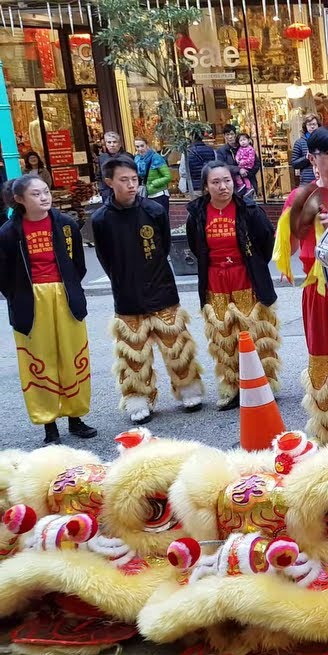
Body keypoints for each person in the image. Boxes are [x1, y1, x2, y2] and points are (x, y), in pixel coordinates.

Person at [92, 158, 205, 423]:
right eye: (124, 180)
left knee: (176, 344)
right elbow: (105, 259)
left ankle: (188, 388)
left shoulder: (154, 210)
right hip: (127, 293)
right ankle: (138, 398)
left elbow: (163, 246)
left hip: (161, 286)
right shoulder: (100, 219)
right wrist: (122, 279)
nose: (131, 185)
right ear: (109, 182)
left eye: (134, 179)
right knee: (133, 352)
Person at [272, 128, 328, 443]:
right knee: (325, 368)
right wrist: (300, 220)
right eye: (326, 154)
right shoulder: (301, 197)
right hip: (319, 293)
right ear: (311, 159)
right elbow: (291, 249)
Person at [0, 175, 96, 445]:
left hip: (65, 297)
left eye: (45, 192)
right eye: (35, 194)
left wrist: (68, 288)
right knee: (38, 361)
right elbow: (4, 276)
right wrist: (20, 296)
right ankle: (48, 422)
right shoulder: (8, 232)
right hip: (30, 302)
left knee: (72, 355)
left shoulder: (65, 225)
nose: (44, 198)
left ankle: (75, 417)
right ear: (19, 200)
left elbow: (78, 264)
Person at [186, 161, 281, 411]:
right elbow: (197, 247)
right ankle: (231, 387)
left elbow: (266, 240)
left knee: (253, 333)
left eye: (227, 180)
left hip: (245, 276)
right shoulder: (198, 213)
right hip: (215, 279)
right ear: (206, 186)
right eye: (215, 182)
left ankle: (263, 383)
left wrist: (254, 264)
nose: (223, 186)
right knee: (224, 337)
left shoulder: (248, 209)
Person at [133, 137, 172, 216]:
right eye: (137, 146)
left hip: (159, 194)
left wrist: (153, 184)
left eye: (142, 146)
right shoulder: (137, 159)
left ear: (147, 145)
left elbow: (168, 176)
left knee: (161, 221)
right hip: (145, 194)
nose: (140, 149)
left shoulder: (156, 157)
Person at [97, 131, 132, 202]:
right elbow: (99, 175)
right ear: (105, 144)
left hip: (124, 191)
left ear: (119, 143)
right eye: (109, 142)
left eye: (114, 142)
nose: (112, 145)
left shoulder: (127, 156)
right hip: (107, 194)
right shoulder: (102, 157)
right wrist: (102, 190)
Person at [291, 115, 321, 186]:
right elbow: (294, 164)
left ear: (318, 125)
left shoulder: (323, 140)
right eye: (309, 124)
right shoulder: (300, 143)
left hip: (322, 179)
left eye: (314, 124)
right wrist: (306, 158)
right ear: (305, 126)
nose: (312, 127)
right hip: (307, 181)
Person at [234, 133, 257, 197]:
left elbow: (251, 159)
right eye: (241, 141)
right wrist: (237, 159)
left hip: (248, 165)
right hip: (241, 165)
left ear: (249, 140)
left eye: (244, 140)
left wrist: (242, 162)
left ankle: (248, 187)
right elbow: (237, 155)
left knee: (245, 176)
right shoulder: (240, 149)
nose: (243, 142)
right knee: (237, 174)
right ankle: (241, 184)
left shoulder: (250, 149)